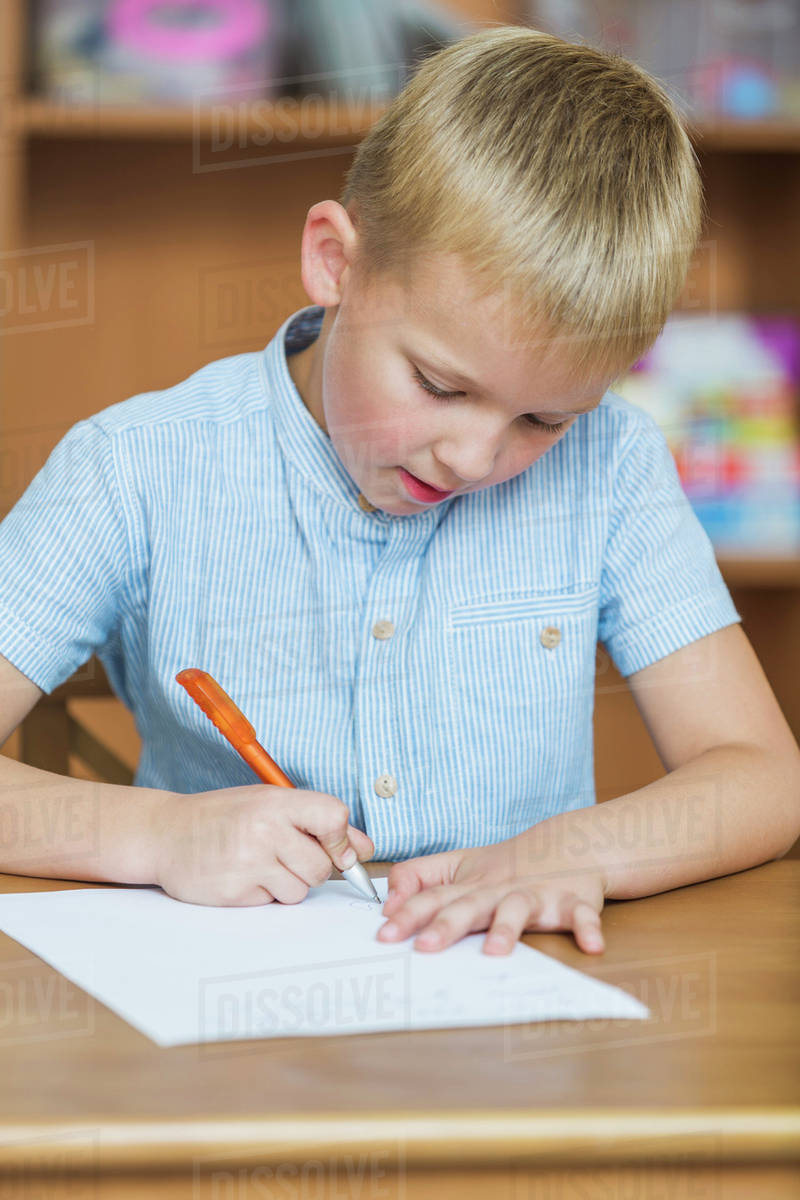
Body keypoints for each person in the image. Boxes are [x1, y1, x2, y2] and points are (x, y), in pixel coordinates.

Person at [0, 27, 797, 959]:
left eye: (544, 421)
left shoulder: (611, 464)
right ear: (336, 261)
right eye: (441, 386)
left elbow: (764, 778)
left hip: (513, 1010)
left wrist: (570, 850)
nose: (472, 456)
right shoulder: (136, 467)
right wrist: (156, 834)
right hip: (224, 1022)